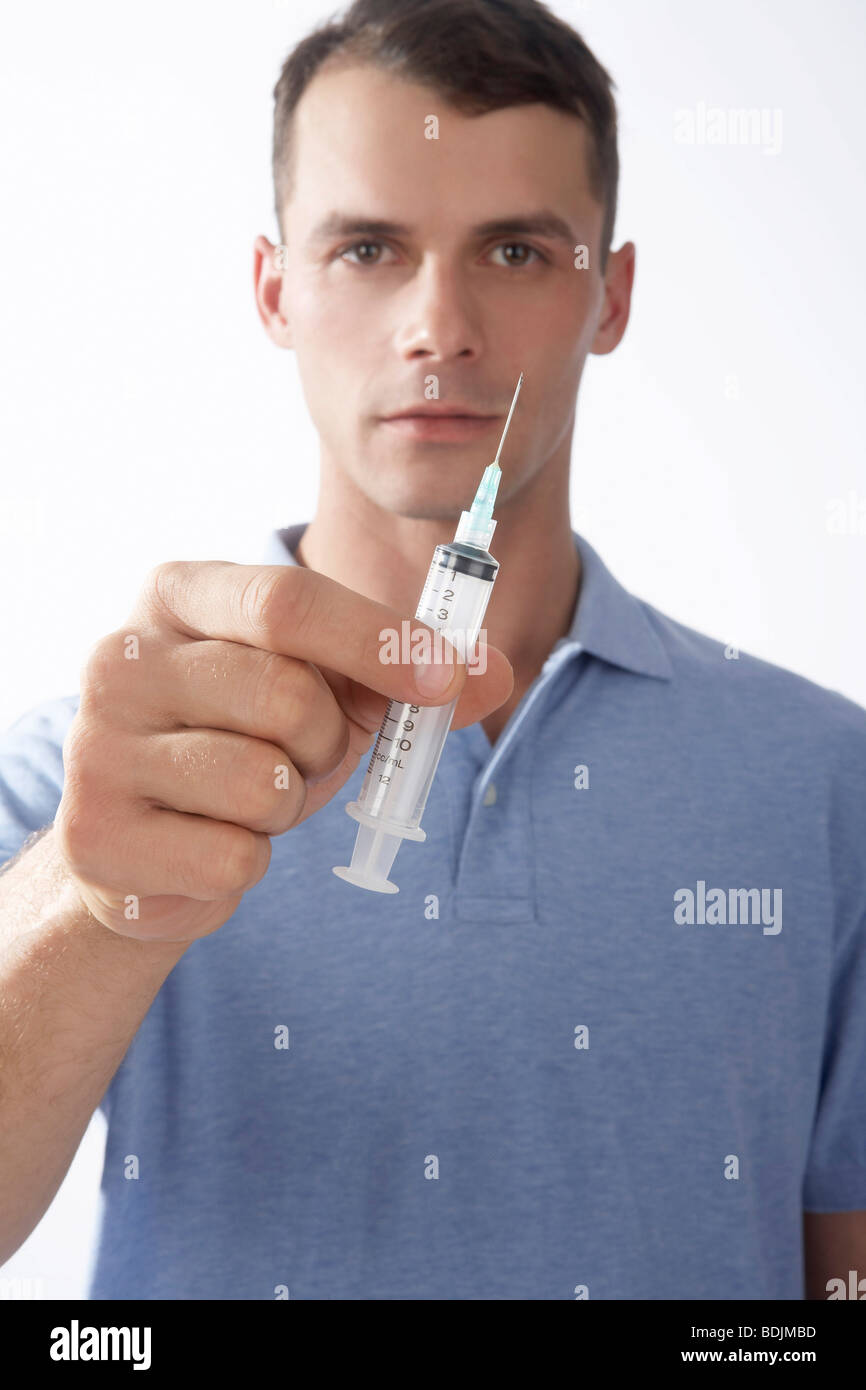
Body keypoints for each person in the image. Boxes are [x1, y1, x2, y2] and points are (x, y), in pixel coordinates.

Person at [1, 0, 864, 1301]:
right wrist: (92, 898)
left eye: (515, 250)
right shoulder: (100, 769)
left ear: (610, 295)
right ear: (273, 289)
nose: (438, 327)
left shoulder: (822, 780)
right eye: (365, 248)